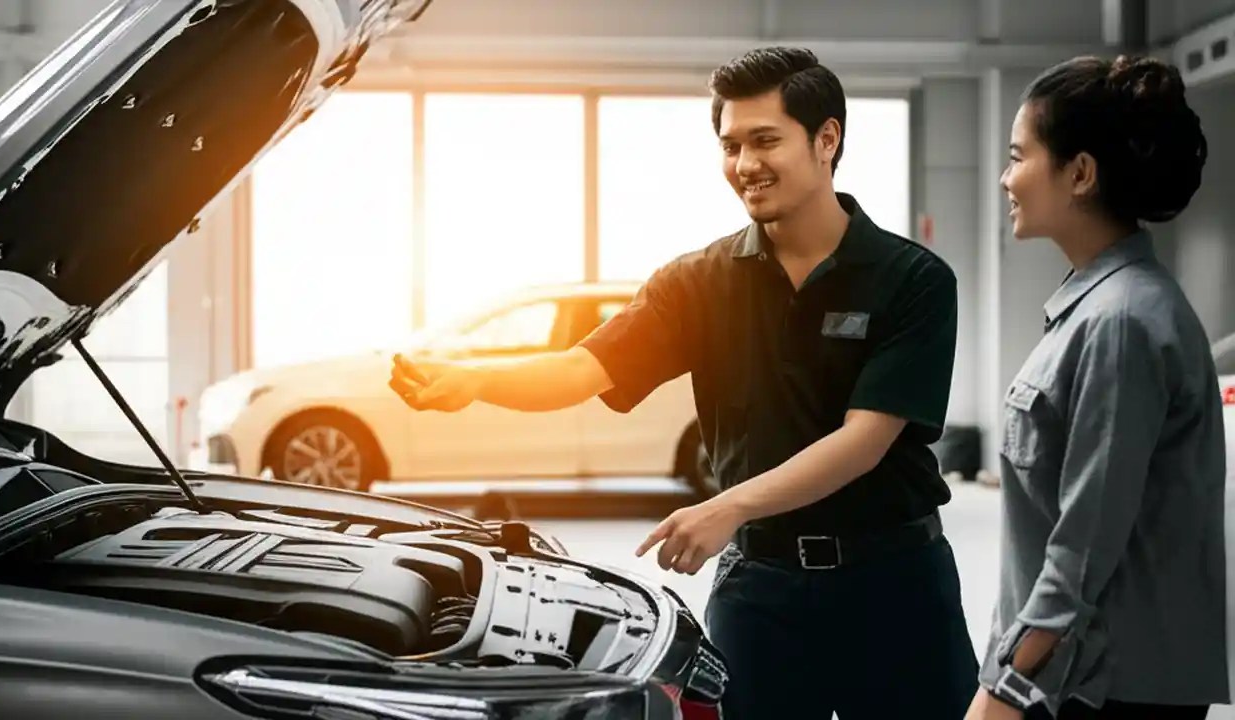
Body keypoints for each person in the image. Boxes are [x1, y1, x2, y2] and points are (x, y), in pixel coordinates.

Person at [390, 46, 979, 718]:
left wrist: (728, 507)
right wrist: (474, 380)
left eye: (765, 140)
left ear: (826, 140)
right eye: (731, 145)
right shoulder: (697, 283)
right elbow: (583, 367)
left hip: (895, 585)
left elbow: (863, 442)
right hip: (760, 593)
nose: (745, 164)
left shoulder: (914, 281)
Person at [968, 55, 1226, 720]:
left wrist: (1004, 688)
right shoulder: (1101, 306)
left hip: (1105, 687)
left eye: (1018, 156)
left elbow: (1082, 546)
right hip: (1079, 676)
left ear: (1080, 174)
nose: (1006, 178)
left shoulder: (1122, 322)